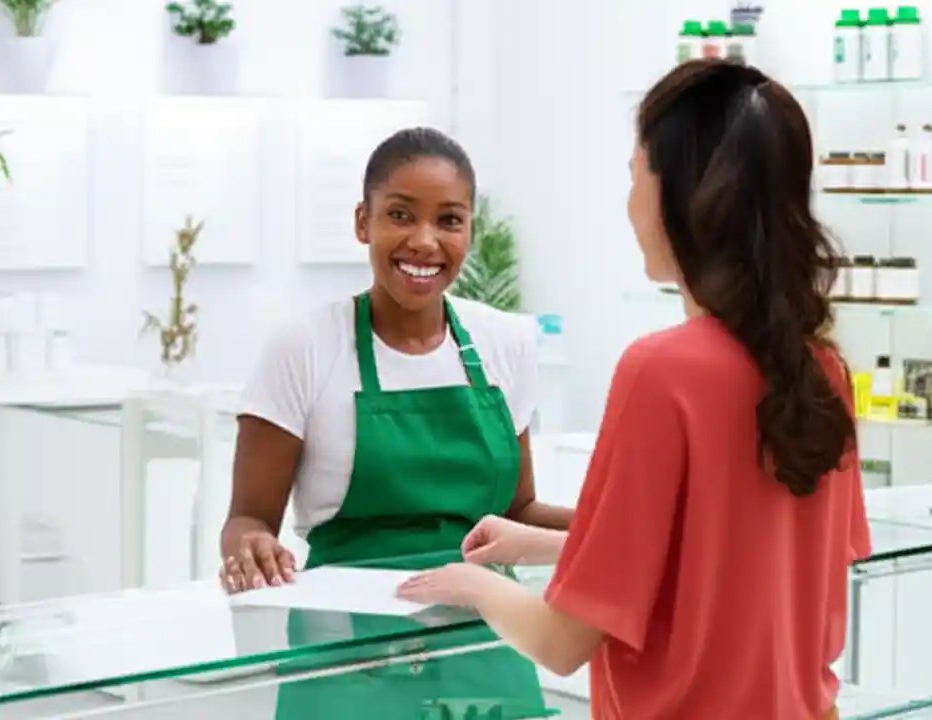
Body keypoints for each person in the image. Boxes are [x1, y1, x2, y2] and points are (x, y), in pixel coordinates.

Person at [398, 59, 870, 720]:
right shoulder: (824, 370)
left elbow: (563, 641)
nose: (627, 202)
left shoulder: (661, 371)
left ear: (680, 191)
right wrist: (551, 545)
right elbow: (736, 565)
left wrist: (473, 586)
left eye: (633, 174)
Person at [220, 126, 572, 719]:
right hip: (347, 658)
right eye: (401, 215)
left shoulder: (505, 342)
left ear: (470, 230)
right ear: (364, 221)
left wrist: (623, 529)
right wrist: (252, 546)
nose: (424, 241)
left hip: (486, 641)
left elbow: (516, 514)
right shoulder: (304, 348)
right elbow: (248, 519)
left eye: (449, 220)